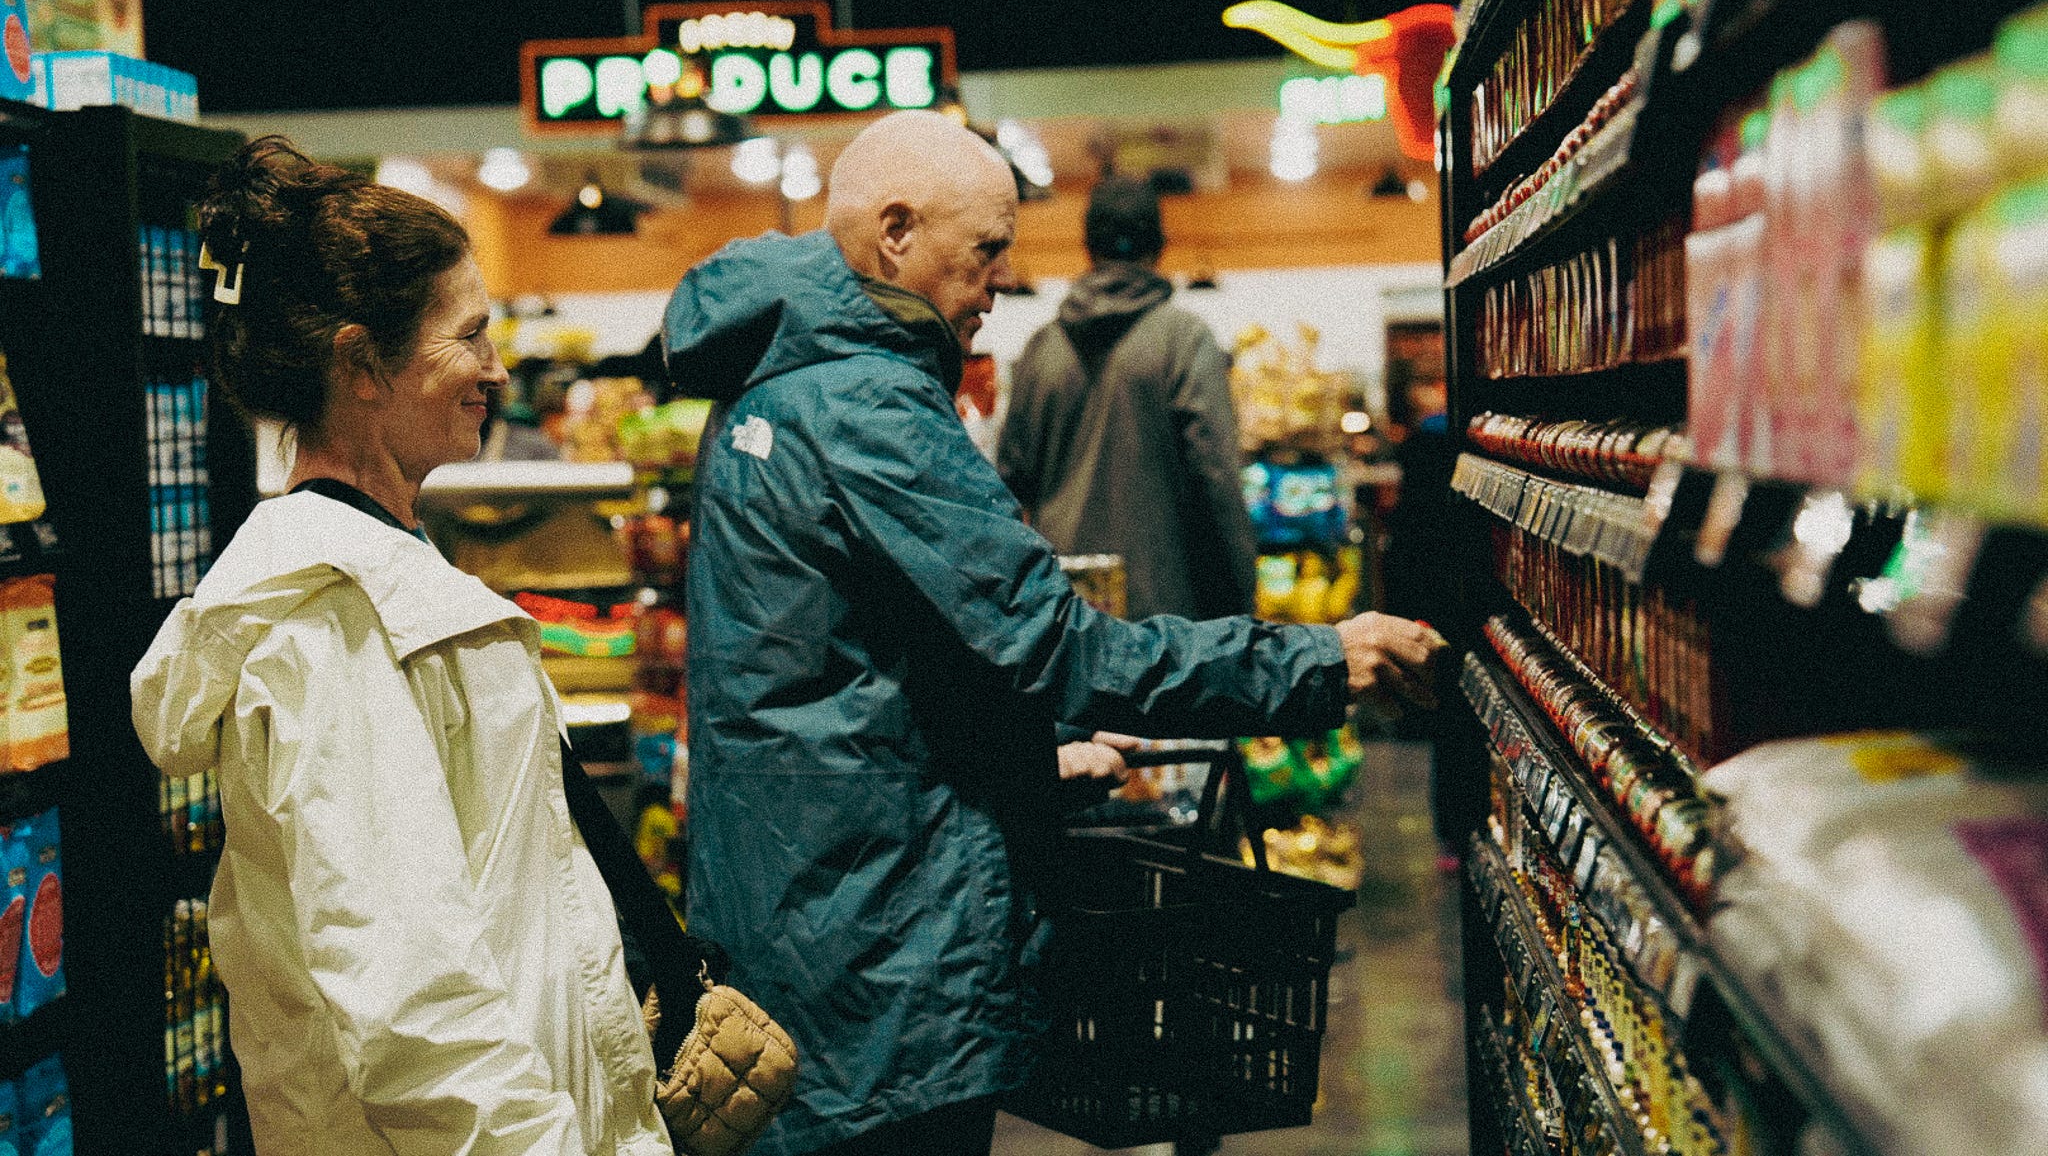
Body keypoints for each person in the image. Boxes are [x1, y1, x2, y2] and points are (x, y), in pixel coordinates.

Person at [662, 110, 1445, 1156]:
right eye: (987, 249)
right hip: (878, 942)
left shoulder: (773, 381)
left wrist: (1035, 752)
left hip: (806, 902)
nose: (1002, 280)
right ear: (896, 233)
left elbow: (854, 664)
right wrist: (1314, 656)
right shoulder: (866, 404)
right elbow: (1058, 647)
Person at [130, 138, 673, 1156]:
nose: (496, 369)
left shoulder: (383, 575)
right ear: (360, 364)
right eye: (469, 337)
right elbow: (414, 1010)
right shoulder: (327, 625)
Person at [997, 175, 1258, 622]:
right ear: (1159, 247)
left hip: (1062, 609)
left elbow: (1007, 483)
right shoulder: (1184, 341)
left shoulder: (1042, 348)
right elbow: (1216, 478)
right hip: (1166, 614)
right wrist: (1238, 608)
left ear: (1088, 248)